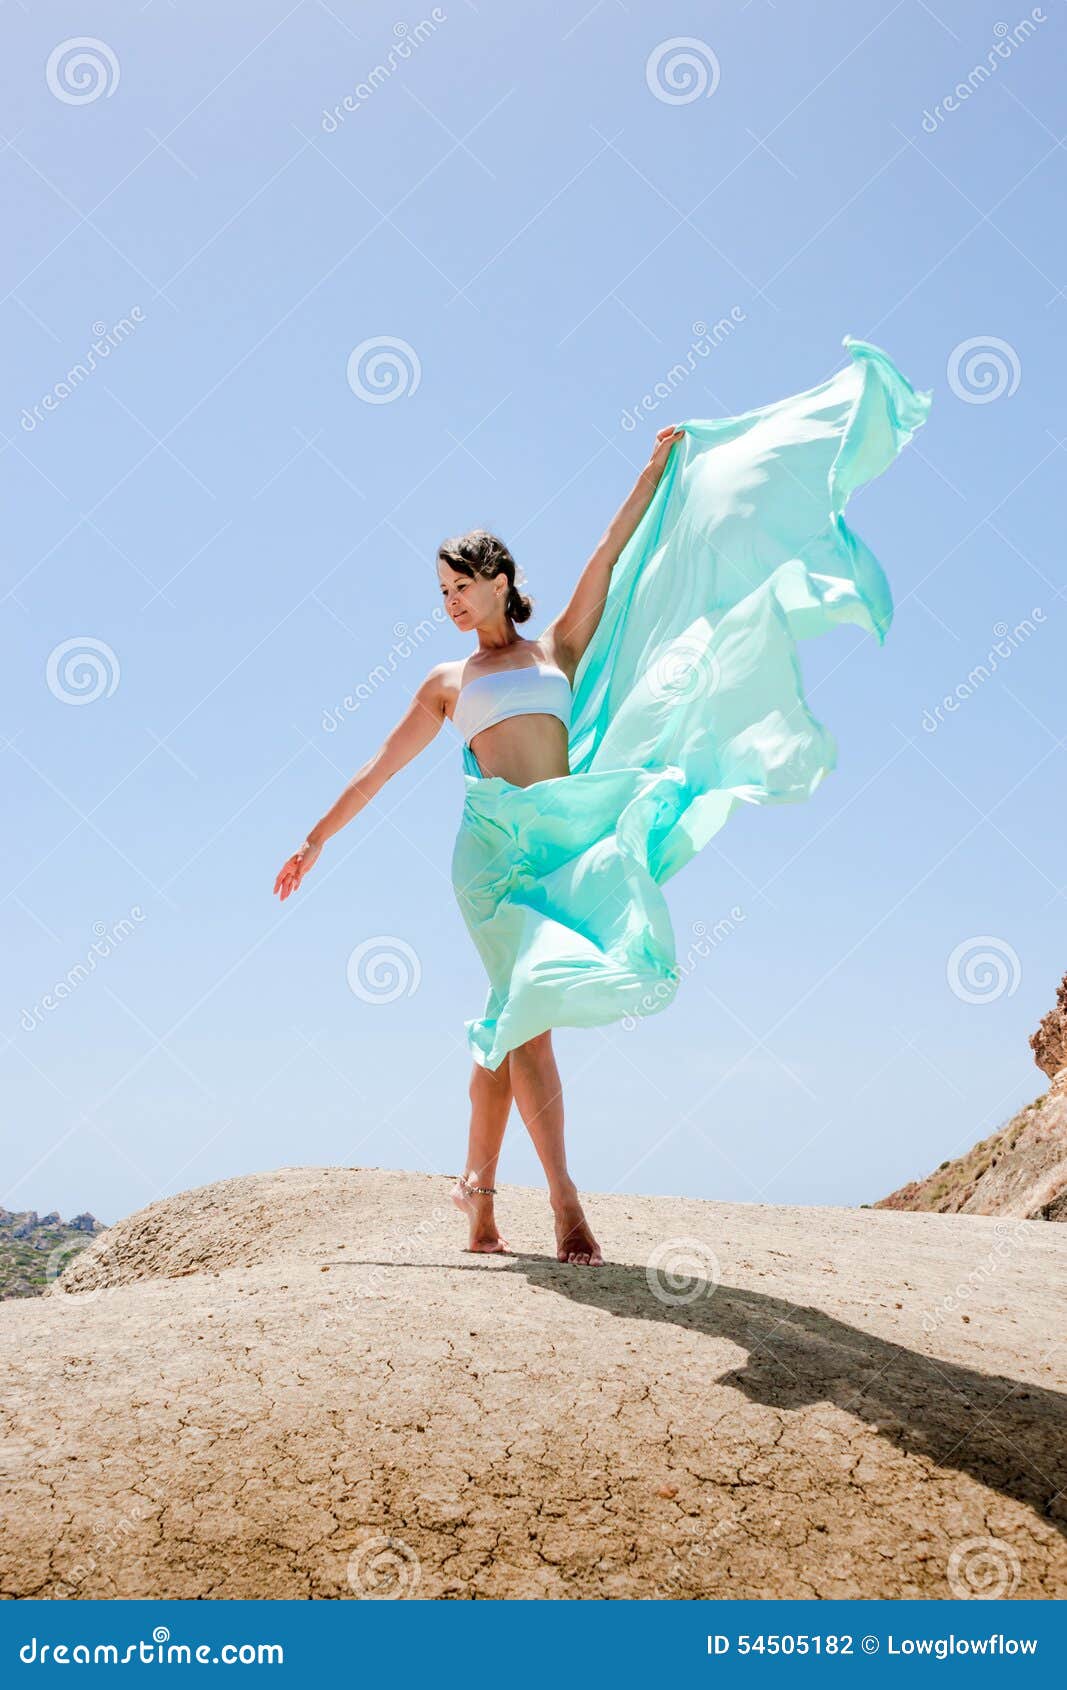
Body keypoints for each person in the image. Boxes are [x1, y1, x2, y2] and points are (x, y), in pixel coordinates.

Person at [274, 337, 932, 1270]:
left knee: (515, 1018)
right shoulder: (444, 682)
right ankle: (567, 1207)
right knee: (527, 1011)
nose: (451, 605)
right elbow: (377, 772)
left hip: (563, 848)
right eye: (442, 594)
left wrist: (654, 471)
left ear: (499, 579)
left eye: (460, 587)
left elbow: (609, 554)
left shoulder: (557, 655)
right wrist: (314, 840)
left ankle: (476, 1196)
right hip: (493, 858)